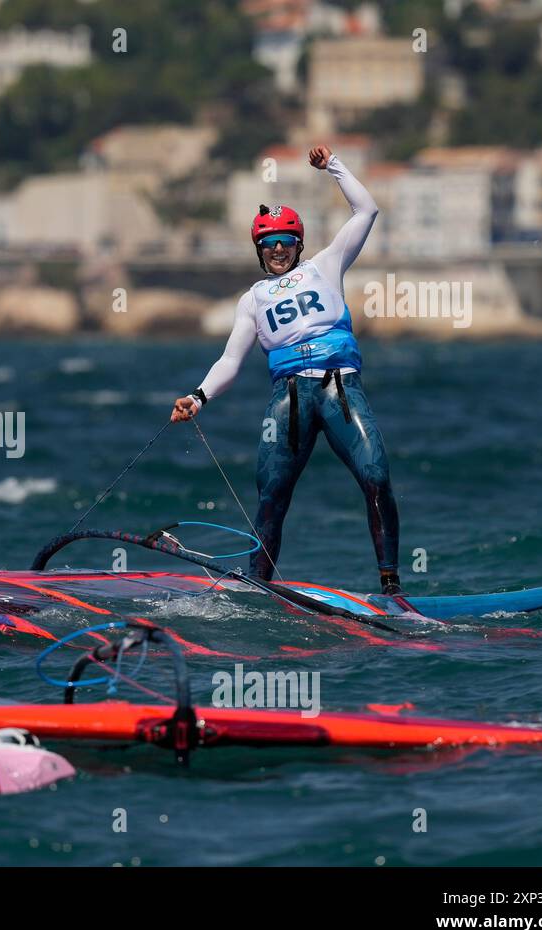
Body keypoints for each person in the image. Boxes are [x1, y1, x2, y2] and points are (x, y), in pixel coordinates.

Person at [171, 146, 402, 594]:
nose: (277, 250)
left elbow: (367, 209)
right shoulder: (252, 299)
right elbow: (230, 361)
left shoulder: (327, 264)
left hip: (340, 389)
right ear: (259, 250)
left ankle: (392, 587)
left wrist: (332, 165)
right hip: (289, 401)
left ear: (299, 244)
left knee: (376, 477)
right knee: (272, 498)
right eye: (268, 244)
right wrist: (198, 396)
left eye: (285, 242)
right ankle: (258, 588)